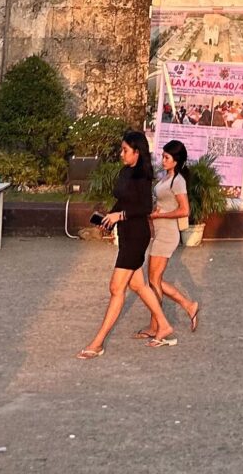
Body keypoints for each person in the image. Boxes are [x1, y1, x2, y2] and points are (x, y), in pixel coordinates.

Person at [76, 130, 175, 357]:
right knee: (139, 285)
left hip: (137, 235)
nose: (121, 154)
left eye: (125, 150)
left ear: (137, 152)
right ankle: (163, 324)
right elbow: (121, 201)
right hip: (125, 233)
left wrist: (119, 216)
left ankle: (98, 342)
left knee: (116, 288)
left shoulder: (142, 177)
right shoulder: (124, 172)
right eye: (121, 149)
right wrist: (108, 219)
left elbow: (144, 208)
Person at [141, 139, 199, 338]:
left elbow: (184, 210)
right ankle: (187, 306)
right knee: (153, 280)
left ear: (176, 161)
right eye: (163, 156)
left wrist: (160, 215)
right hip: (159, 231)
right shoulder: (166, 178)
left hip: (168, 233)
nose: (163, 160)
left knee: (153, 280)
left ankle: (158, 324)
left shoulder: (178, 181)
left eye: (167, 157)